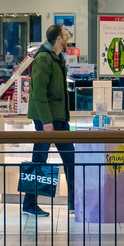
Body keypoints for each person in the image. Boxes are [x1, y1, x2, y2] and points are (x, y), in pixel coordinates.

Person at [22, 25, 75, 217]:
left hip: (59, 119)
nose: (67, 36)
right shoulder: (44, 58)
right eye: (64, 34)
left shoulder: (57, 57)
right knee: (39, 160)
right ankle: (29, 205)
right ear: (59, 39)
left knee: (71, 159)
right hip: (47, 119)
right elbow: (38, 93)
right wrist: (46, 121)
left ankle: (74, 203)